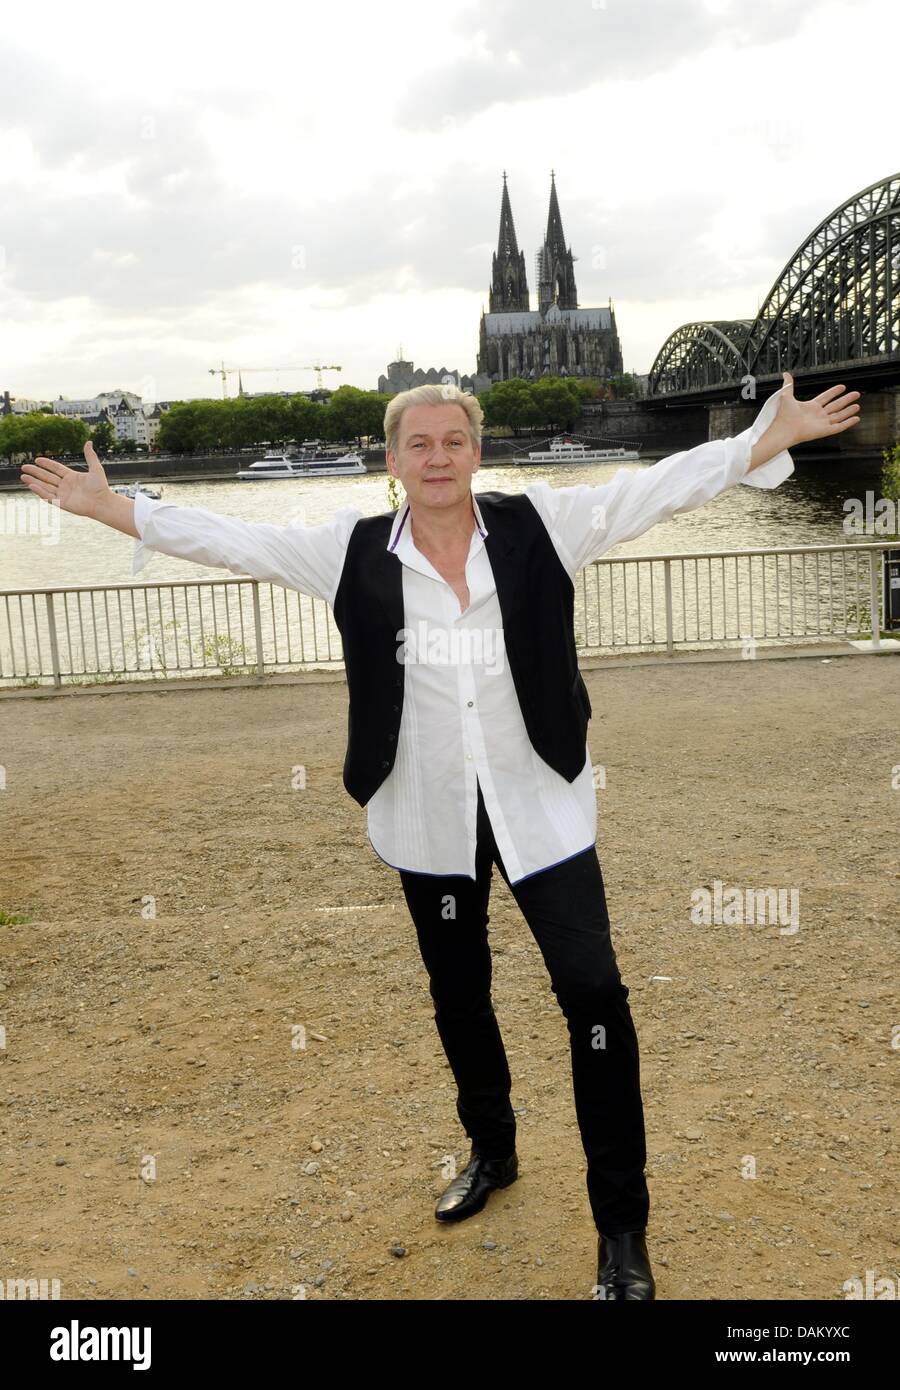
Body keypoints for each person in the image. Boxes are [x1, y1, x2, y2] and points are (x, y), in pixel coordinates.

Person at [20, 372, 860, 1299]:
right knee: (461, 998)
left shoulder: (545, 527)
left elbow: (654, 487)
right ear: (393, 459)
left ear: (477, 450)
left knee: (595, 999)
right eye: (417, 444)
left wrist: (760, 440)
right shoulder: (349, 552)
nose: (436, 458)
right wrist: (115, 509)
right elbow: (233, 539)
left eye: (452, 441)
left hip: (541, 806)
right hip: (428, 817)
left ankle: (622, 1230)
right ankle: (493, 1152)